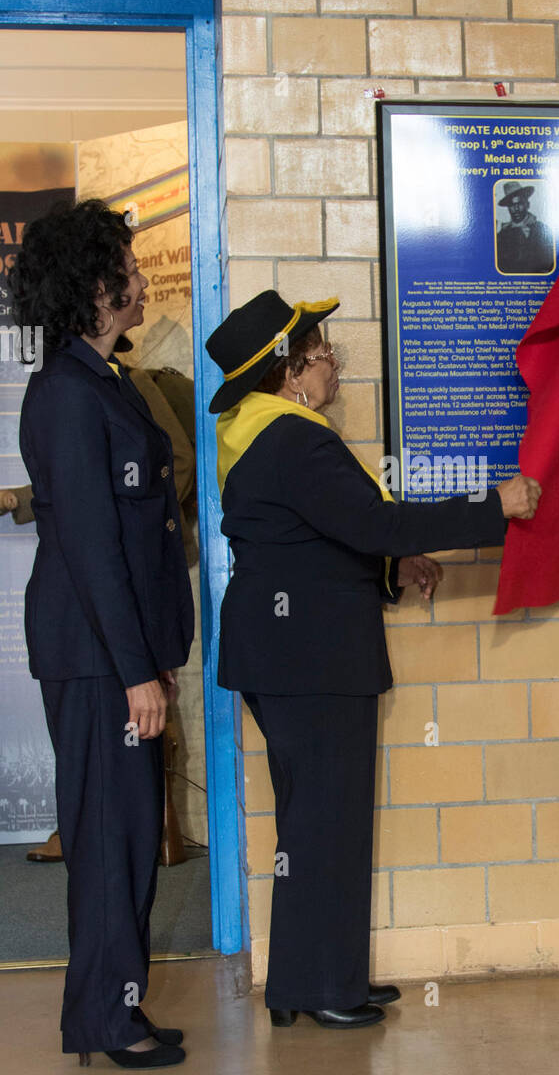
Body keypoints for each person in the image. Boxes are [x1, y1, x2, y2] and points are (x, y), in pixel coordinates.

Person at [206, 290, 541, 1030]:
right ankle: (322, 986)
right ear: (288, 370)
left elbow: (325, 537)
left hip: (291, 653)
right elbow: (373, 520)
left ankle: (311, 979)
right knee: (325, 818)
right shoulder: (295, 440)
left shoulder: (260, 431)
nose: (334, 366)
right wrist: (495, 505)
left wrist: (394, 565)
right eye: (323, 354)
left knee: (314, 818)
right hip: (312, 657)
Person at [10, 198, 194, 1067]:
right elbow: (90, 550)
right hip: (94, 661)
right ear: (96, 286)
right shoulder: (64, 395)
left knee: (126, 837)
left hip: (112, 654)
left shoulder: (104, 380)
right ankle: (102, 1021)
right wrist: (135, 673)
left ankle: (122, 1006)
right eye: (128, 262)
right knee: (109, 841)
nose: (141, 275)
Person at [496, 181, 555, 274]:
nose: (516, 209)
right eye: (511, 205)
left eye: (520, 204)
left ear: (527, 204)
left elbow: (550, 266)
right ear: (508, 208)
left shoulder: (542, 230)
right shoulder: (502, 236)